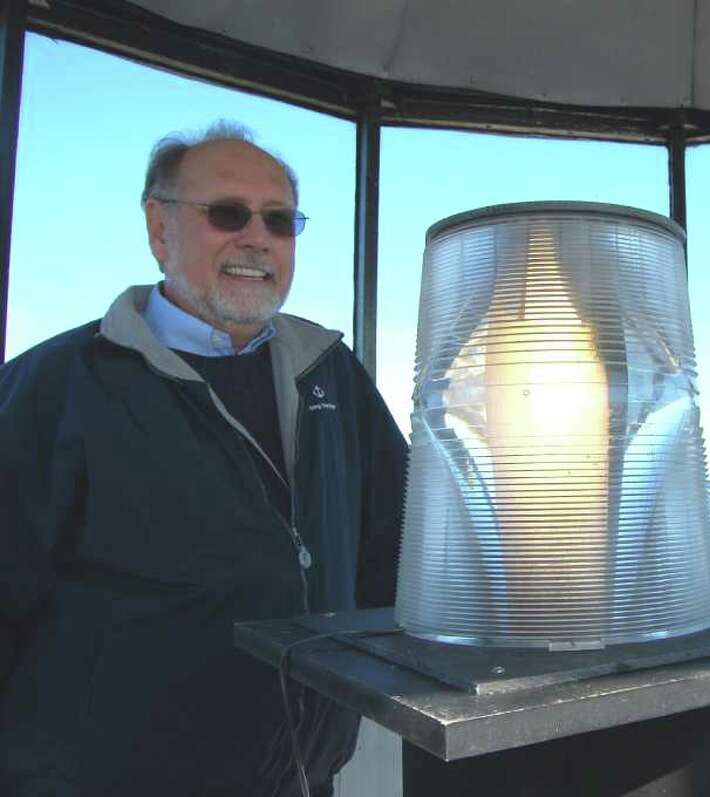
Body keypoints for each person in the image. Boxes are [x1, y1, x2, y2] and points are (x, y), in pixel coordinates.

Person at [0, 122, 409, 795]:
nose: (257, 237)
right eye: (228, 214)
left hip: (299, 780)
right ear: (160, 230)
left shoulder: (331, 376)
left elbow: (399, 542)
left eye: (280, 220)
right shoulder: (56, 387)